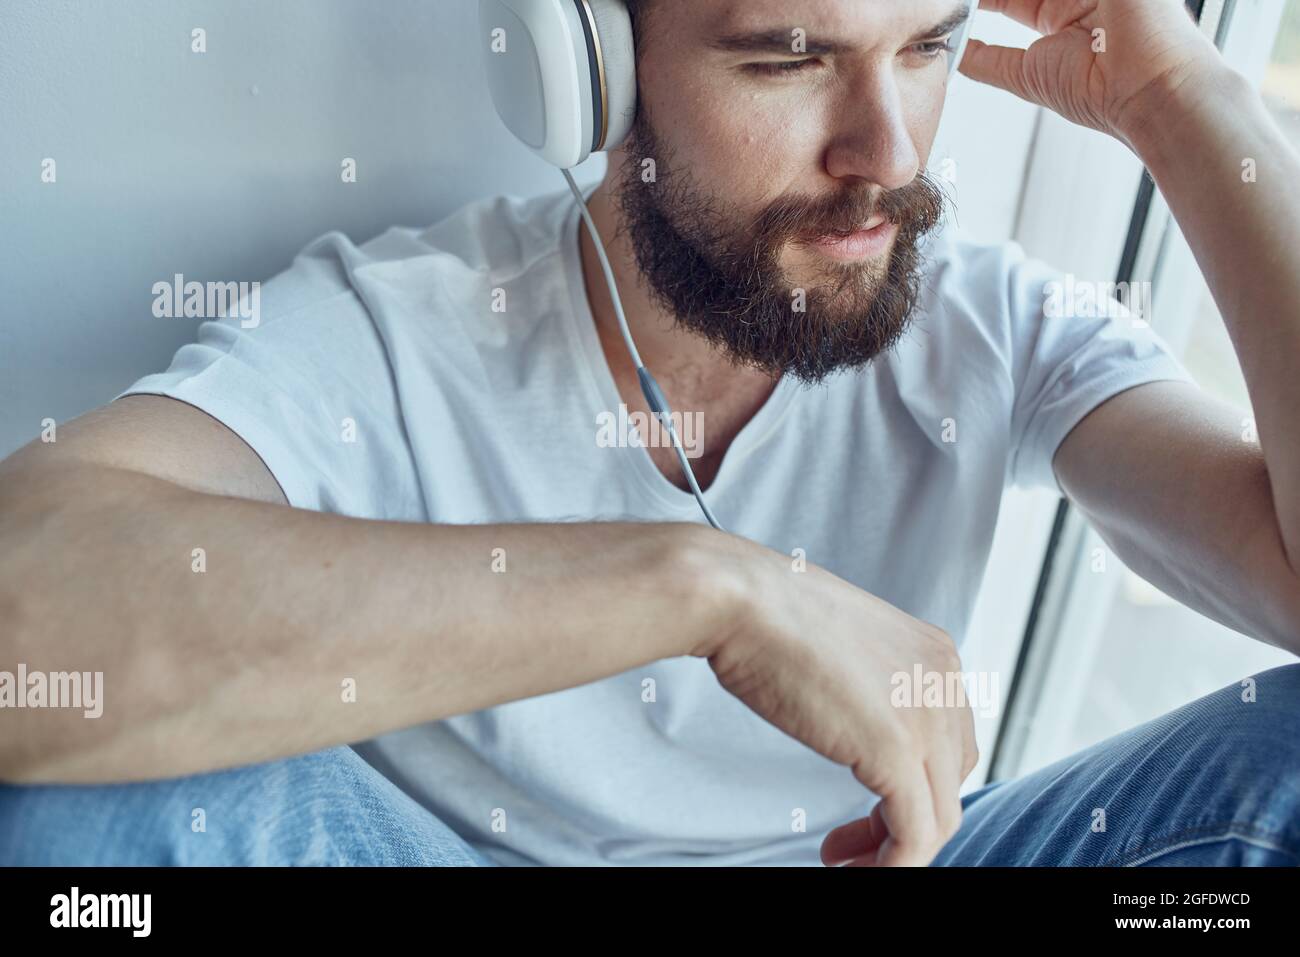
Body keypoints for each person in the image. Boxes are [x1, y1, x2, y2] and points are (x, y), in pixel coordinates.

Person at [1, 0, 1297, 867]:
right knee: (78, 786)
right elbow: (22, 626)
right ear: (592, 71)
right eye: (787, 57)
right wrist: (702, 590)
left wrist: (1188, 108)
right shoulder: (396, 337)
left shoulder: (996, 322)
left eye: (928, 46)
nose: (887, 152)